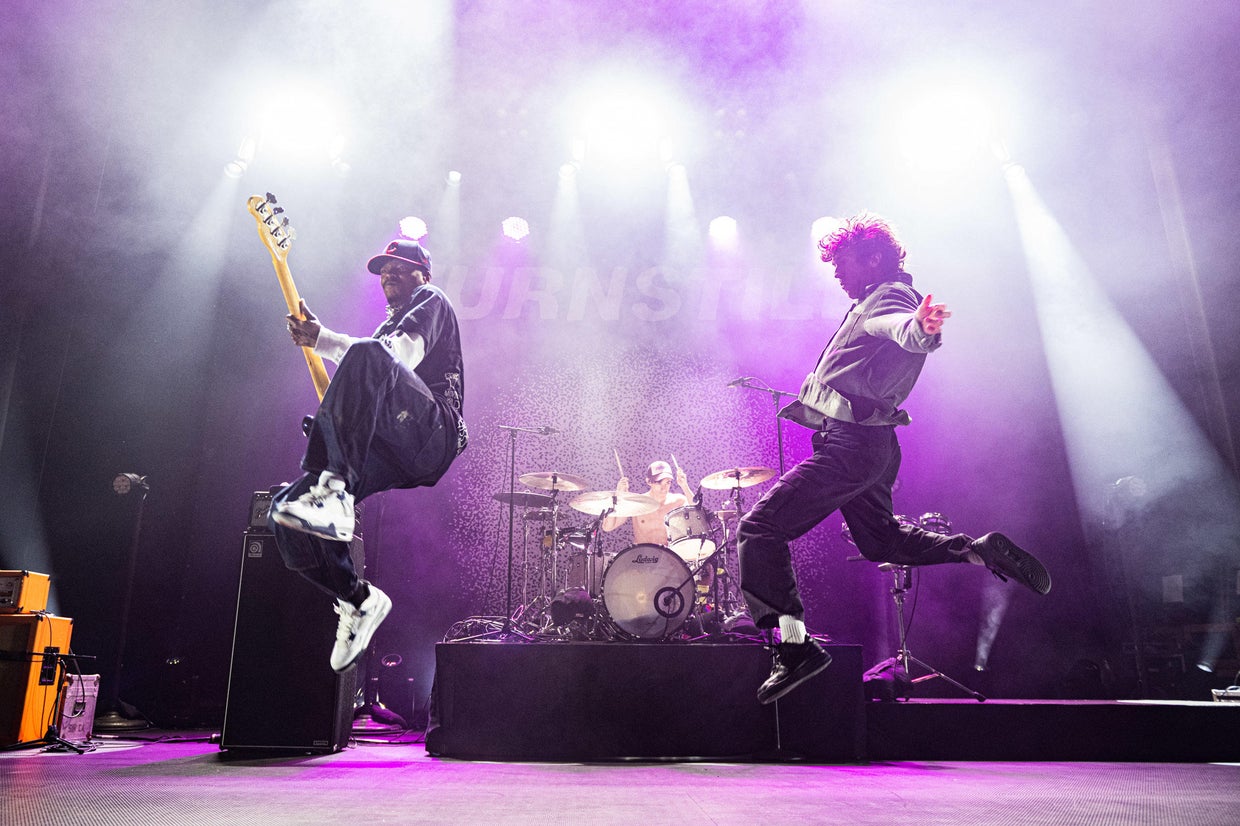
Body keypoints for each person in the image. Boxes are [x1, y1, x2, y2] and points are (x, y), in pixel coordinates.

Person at [737, 213, 1050, 705]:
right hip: (873, 446)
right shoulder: (868, 300)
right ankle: (975, 549)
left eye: (843, 263)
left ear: (874, 258)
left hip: (853, 445)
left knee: (759, 529)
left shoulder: (889, 299)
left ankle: (794, 648)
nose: (837, 274)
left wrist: (923, 330)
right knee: (880, 539)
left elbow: (903, 330)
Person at [269, 238, 467, 673]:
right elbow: (368, 361)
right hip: (392, 445)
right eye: (383, 269)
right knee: (283, 514)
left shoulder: (431, 301)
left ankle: (336, 490)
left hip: (433, 432)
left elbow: (400, 355)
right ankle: (357, 599)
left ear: (423, 274)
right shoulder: (380, 336)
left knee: (369, 352)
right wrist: (319, 339)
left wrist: (330, 340)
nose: (388, 274)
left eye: (399, 266)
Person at [602, 460, 695, 546]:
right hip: (643, 558)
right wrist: (618, 495)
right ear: (648, 481)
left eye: (668, 482)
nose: (664, 488)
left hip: (669, 556)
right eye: (659, 483)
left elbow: (697, 513)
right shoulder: (637, 502)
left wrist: (684, 486)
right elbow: (608, 527)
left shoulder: (678, 501)